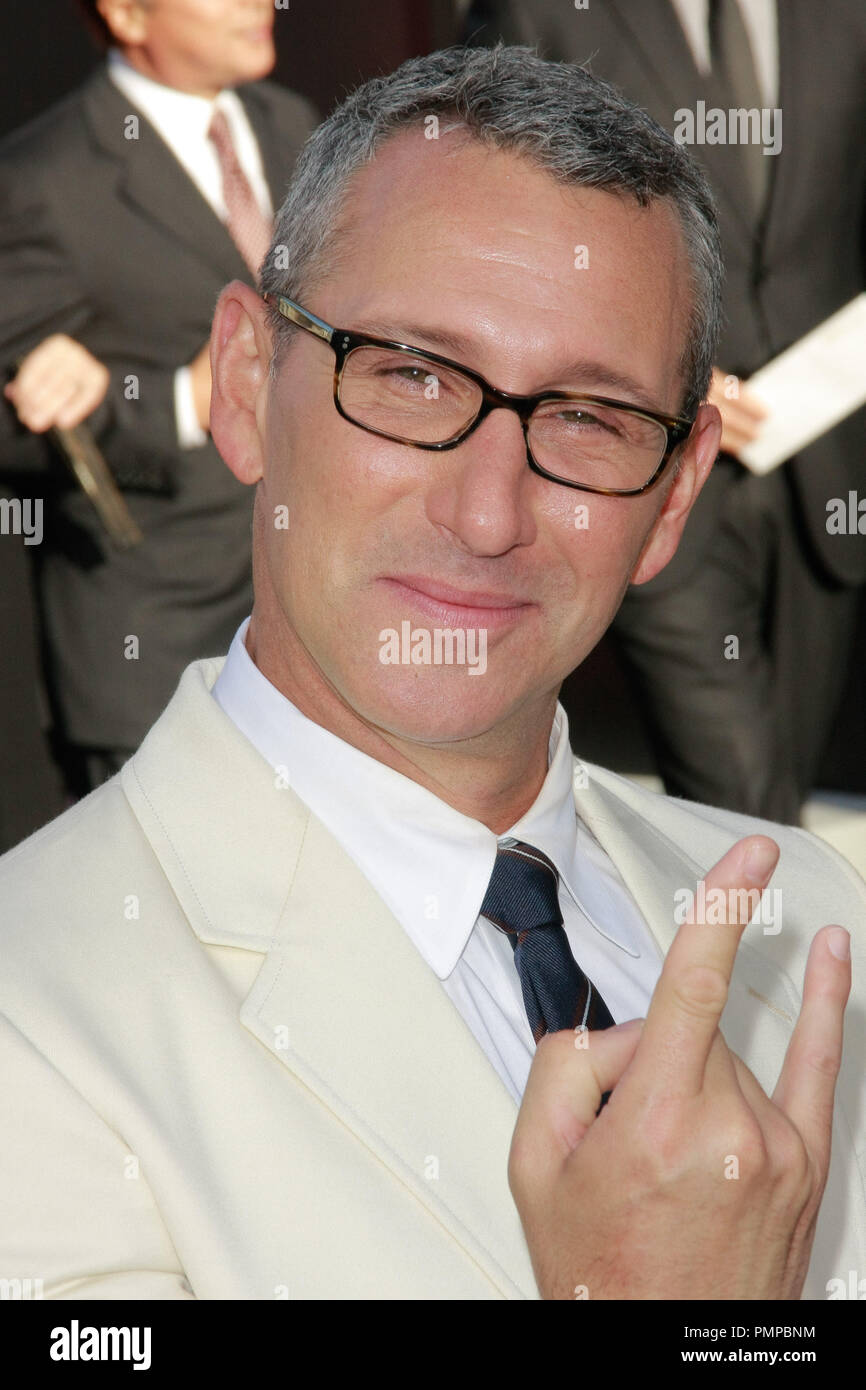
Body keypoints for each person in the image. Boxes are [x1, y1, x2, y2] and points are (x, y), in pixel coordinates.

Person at [0, 45, 863, 1302]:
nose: (487, 510)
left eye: (585, 417)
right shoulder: (34, 1006)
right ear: (246, 383)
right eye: (410, 377)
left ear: (673, 498)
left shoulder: (809, 918)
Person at [466, 0, 866, 824]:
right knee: (741, 789)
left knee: (777, 780)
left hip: (826, 466)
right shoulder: (542, 10)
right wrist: (655, 369)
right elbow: (499, 219)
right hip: (651, 460)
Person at [0, 0, 316, 798]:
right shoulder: (44, 177)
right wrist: (175, 402)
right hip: (162, 654)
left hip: (315, 623)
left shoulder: (294, 125)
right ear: (129, 13)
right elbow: (11, 424)